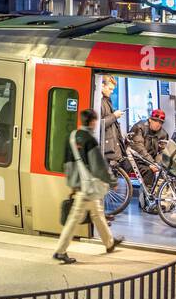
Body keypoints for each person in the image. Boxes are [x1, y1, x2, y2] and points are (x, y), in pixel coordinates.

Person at [53, 109, 124, 265]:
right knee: (74, 219)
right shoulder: (90, 140)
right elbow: (99, 167)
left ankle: (109, 243)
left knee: (97, 213)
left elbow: (67, 164)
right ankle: (60, 251)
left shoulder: (72, 137)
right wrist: (112, 182)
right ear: (92, 121)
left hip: (80, 185)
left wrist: (73, 184)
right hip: (88, 187)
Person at [98, 76, 126, 162]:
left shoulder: (106, 100)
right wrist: (114, 116)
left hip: (109, 147)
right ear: (102, 86)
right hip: (104, 149)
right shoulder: (98, 101)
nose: (112, 91)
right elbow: (99, 124)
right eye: (110, 88)